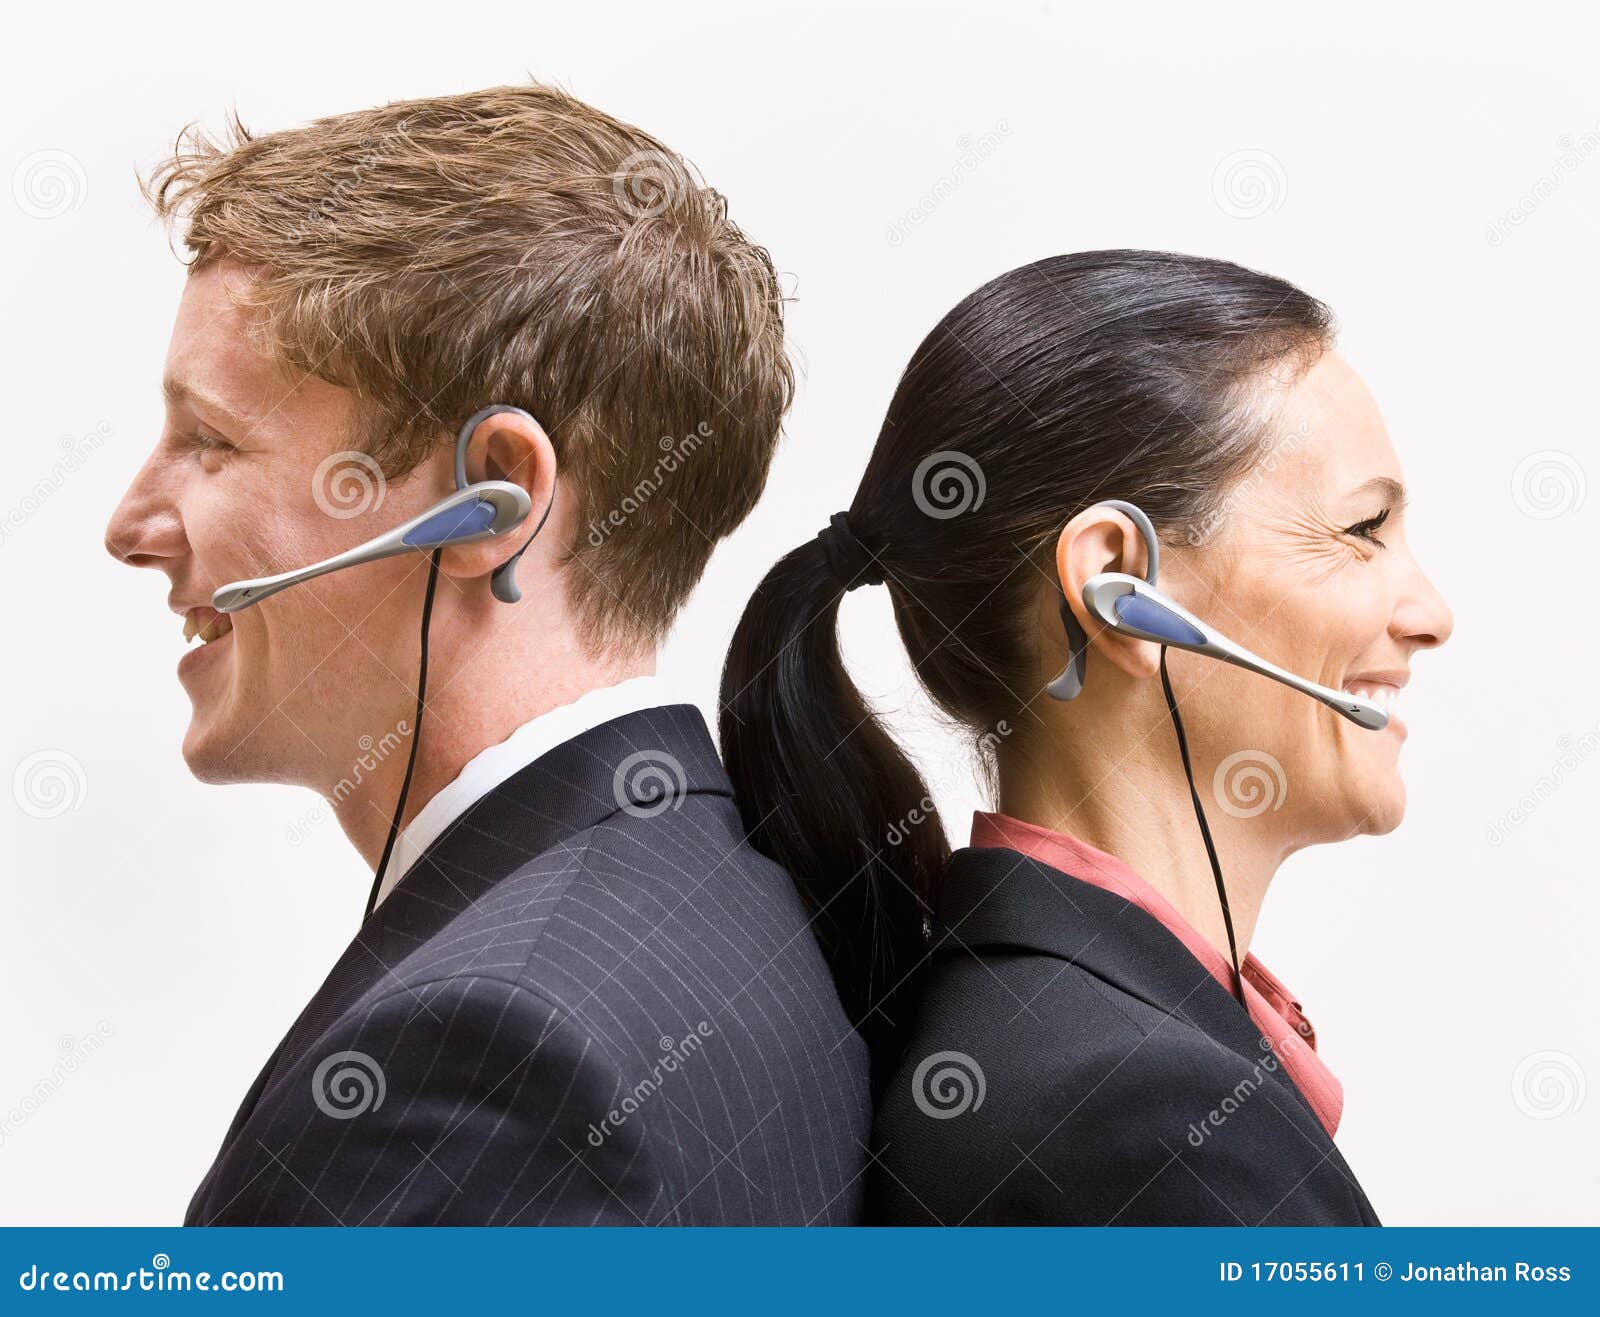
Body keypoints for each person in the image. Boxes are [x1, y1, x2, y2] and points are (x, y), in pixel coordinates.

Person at [104, 83, 868, 1225]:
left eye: (211, 441)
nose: (128, 526)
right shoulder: (732, 909)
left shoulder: (490, 1063)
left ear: (490, 502)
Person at [718, 250, 1453, 1225]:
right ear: (1121, 591)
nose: (1431, 614)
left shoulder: (1082, 1049)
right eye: (1361, 529)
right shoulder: (1136, 1121)